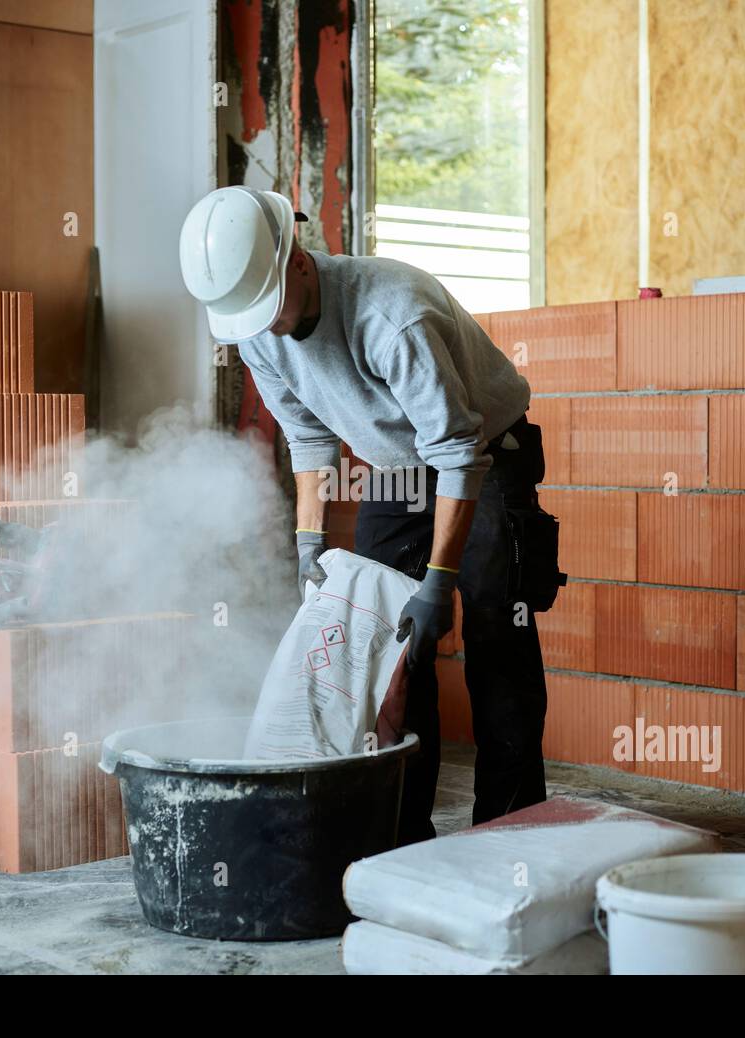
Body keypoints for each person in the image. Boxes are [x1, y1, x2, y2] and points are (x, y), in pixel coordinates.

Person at [179, 185, 562, 842]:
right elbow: (308, 436)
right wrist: (308, 541)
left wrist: (439, 579)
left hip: (482, 453)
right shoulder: (258, 331)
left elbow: (456, 450)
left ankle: (509, 837)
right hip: (396, 466)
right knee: (390, 645)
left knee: (497, 639)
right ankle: (403, 831)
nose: (266, 328)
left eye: (268, 310)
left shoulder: (391, 315)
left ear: (296, 259)